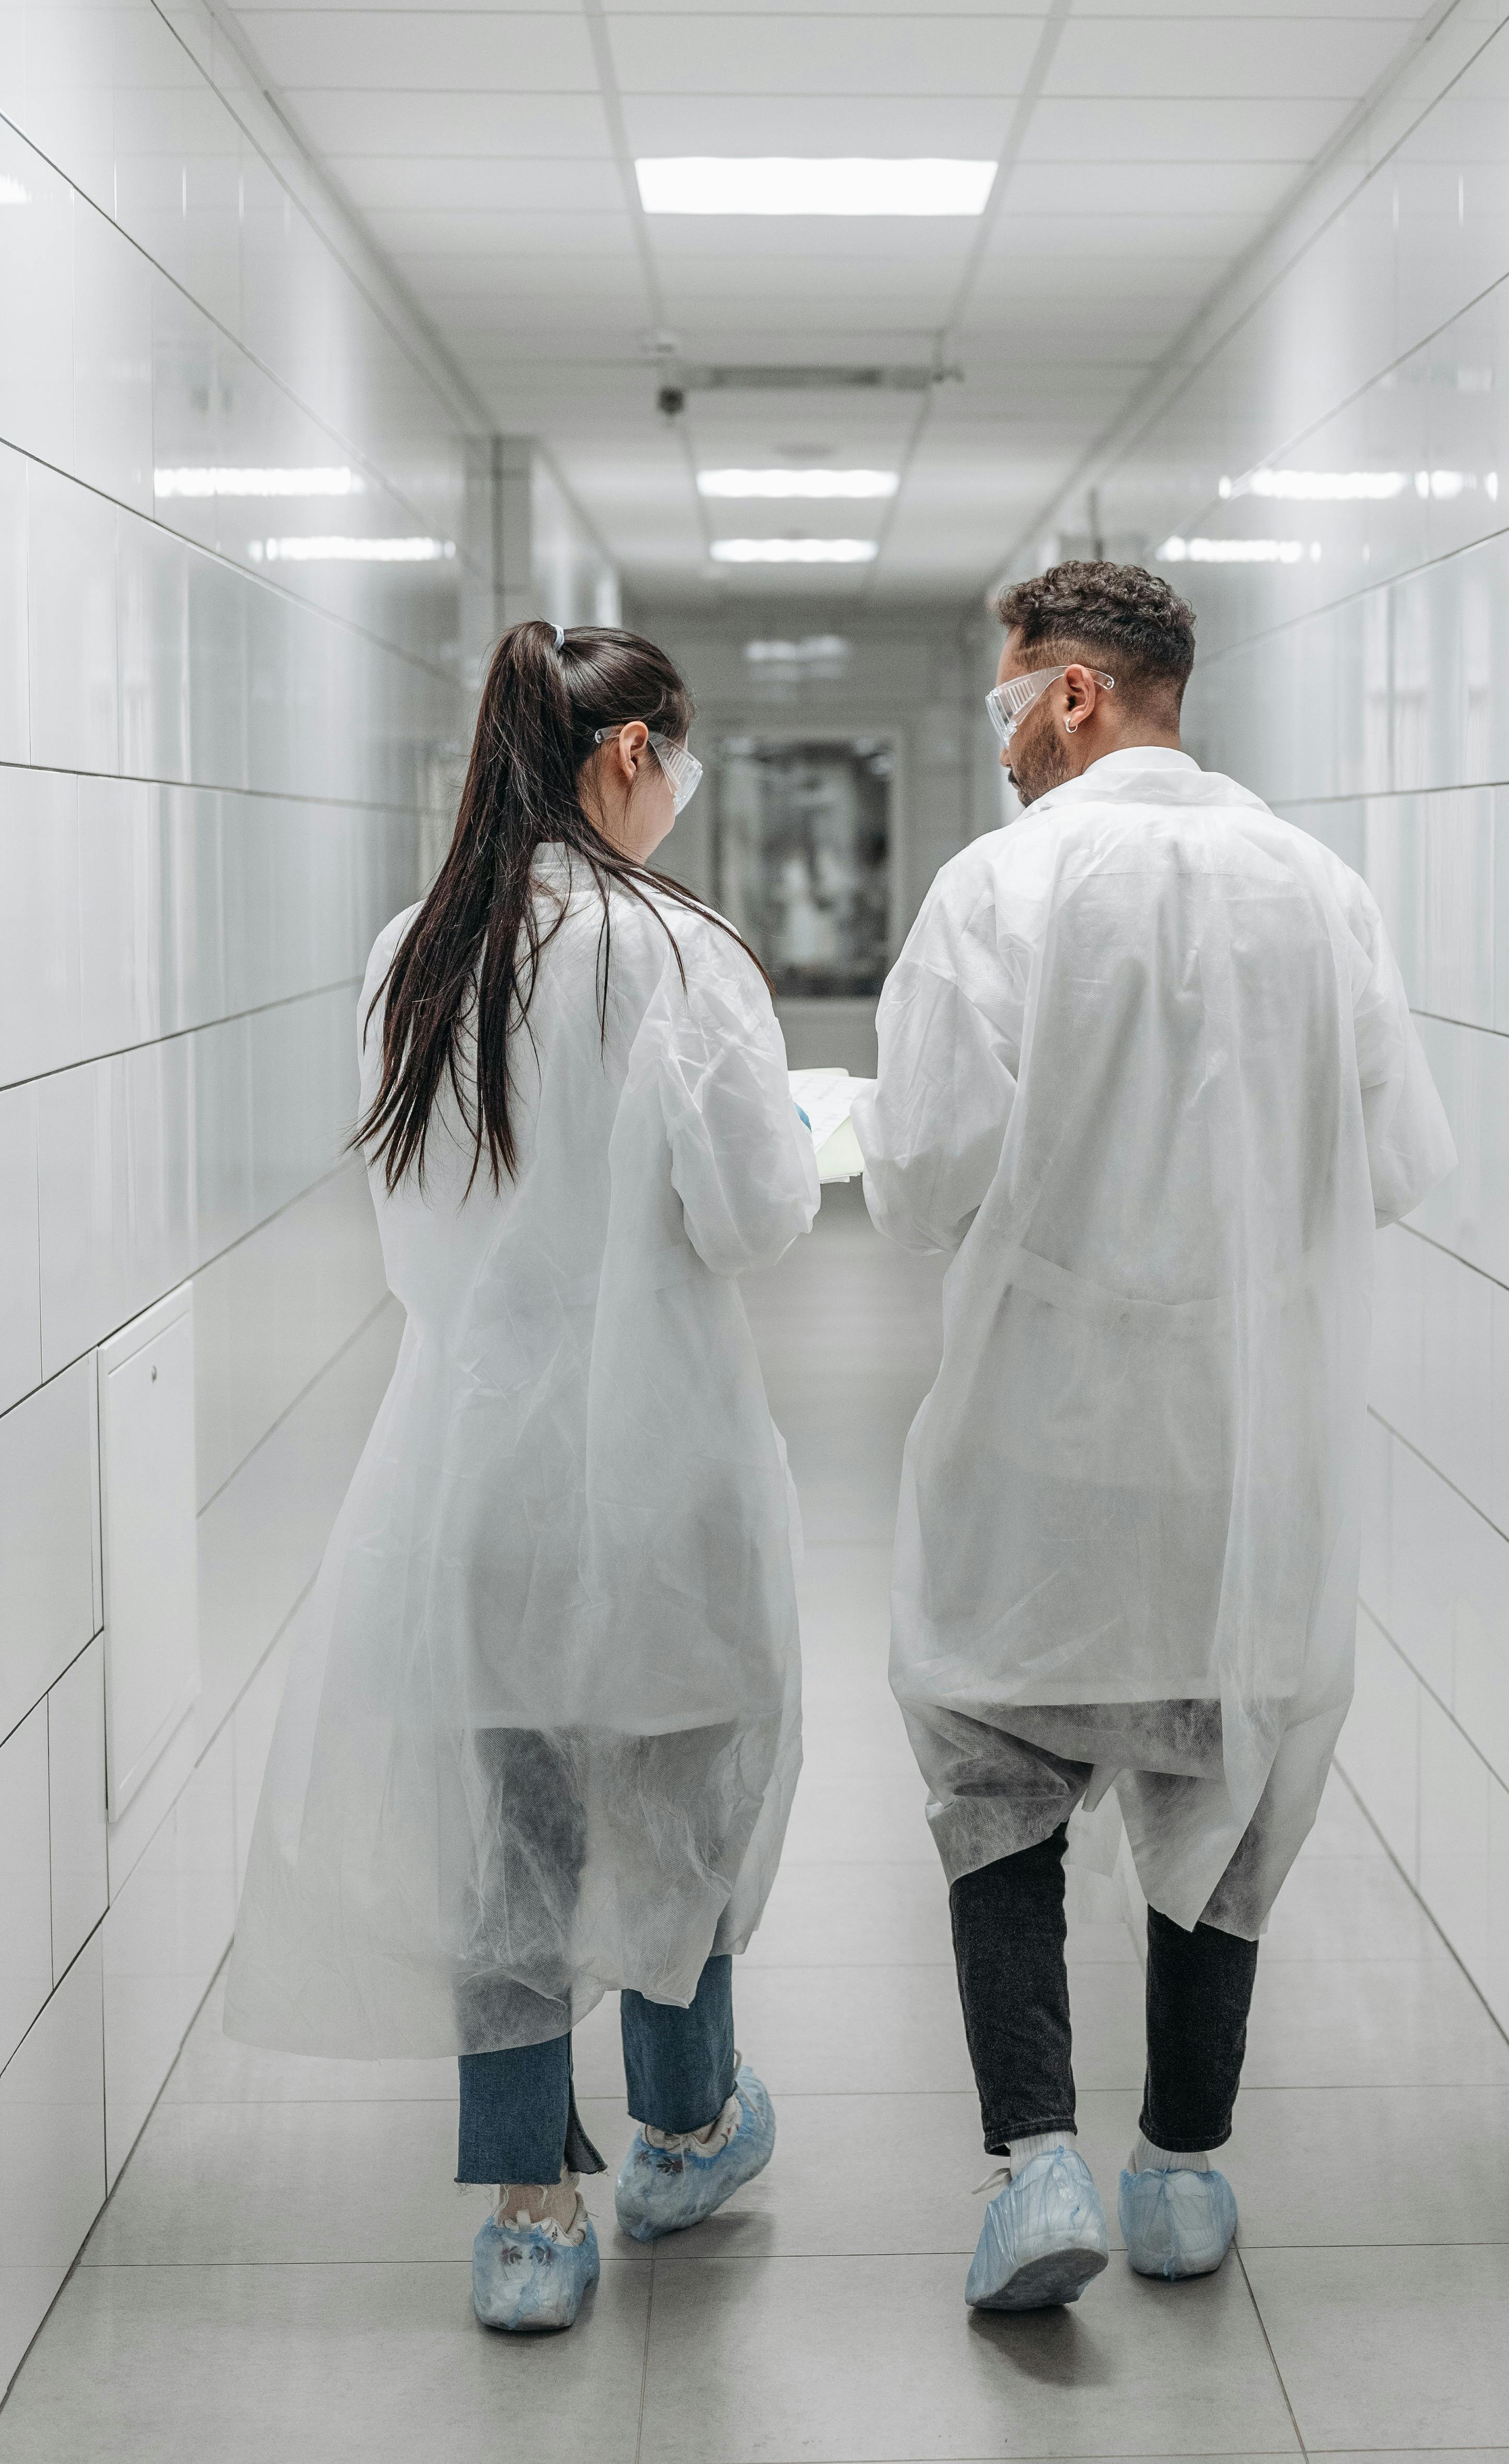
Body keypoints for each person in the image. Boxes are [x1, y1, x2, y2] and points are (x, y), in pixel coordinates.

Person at [852, 562, 1454, 2310]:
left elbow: (921, 1176)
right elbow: (1397, 1165)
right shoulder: (1320, 891)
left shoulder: (1002, 888)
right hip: (1250, 1445)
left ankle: (1036, 2161)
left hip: (1044, 1426)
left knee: (994, 1758)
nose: (1008, 739)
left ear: (1076, 695)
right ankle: (1184, 2174)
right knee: (1228, 1759)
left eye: (1011, 698)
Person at [226, 621, 821, 2333]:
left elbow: (421, 1225)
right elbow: (760, 1216)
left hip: (472, 1470)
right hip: (666, 1468)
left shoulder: (415, 955)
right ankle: (689, 2131)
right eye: (675, 762)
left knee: (514, 1842)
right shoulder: (679, 953)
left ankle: (529, 2220)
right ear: (628, 754)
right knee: (676, 1816)